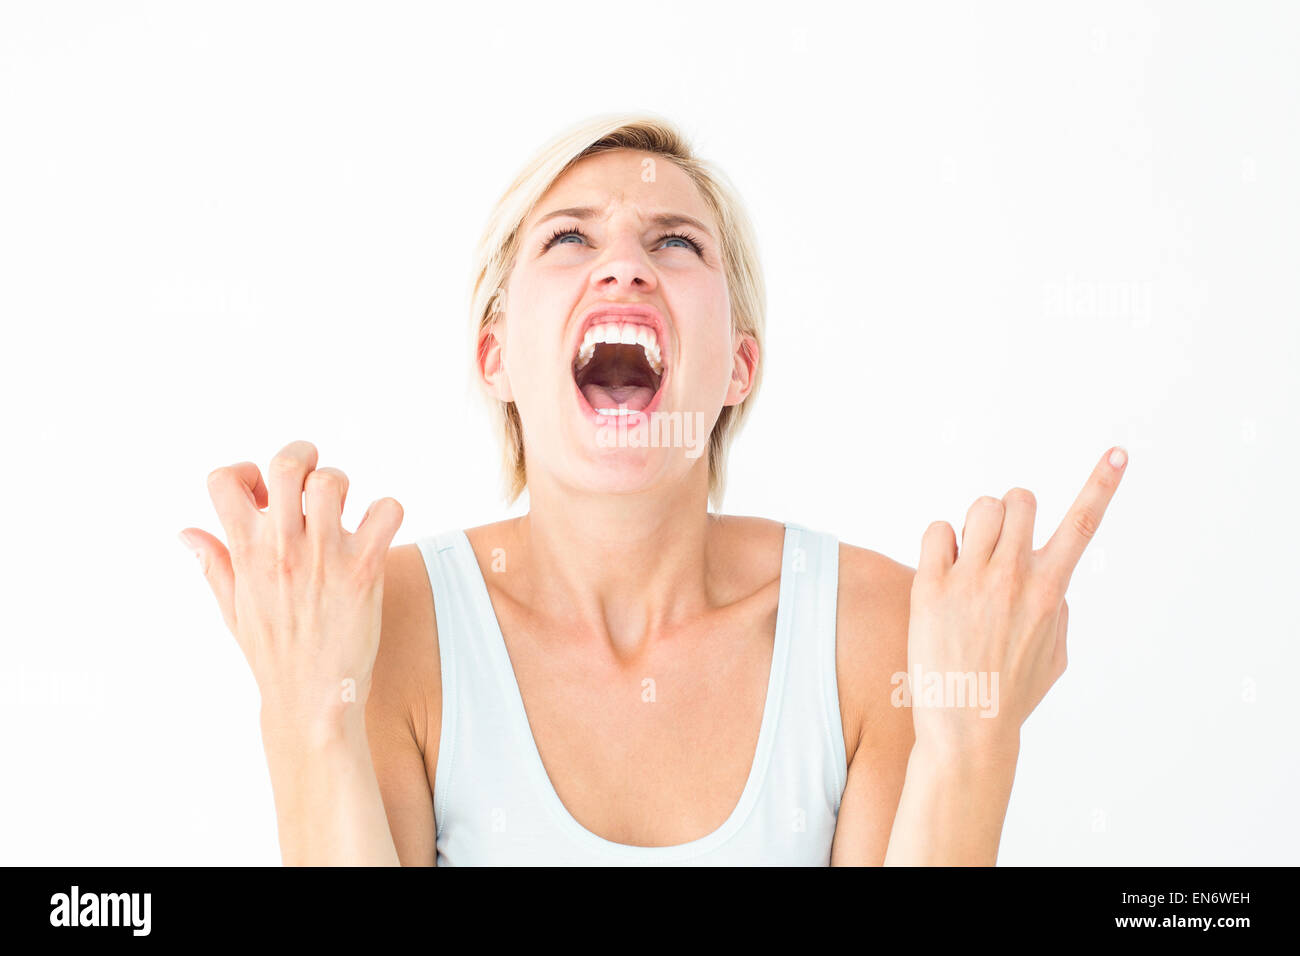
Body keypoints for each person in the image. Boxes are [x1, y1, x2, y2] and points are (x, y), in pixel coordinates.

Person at [178, 112, 1128, 865]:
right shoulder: (380, 626)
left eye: (677, 243)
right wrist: (305, 712)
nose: (625, 263)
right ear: (495, 355)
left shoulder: (876, 631)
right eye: (567, 240)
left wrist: (974, 745)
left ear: (739, 368)